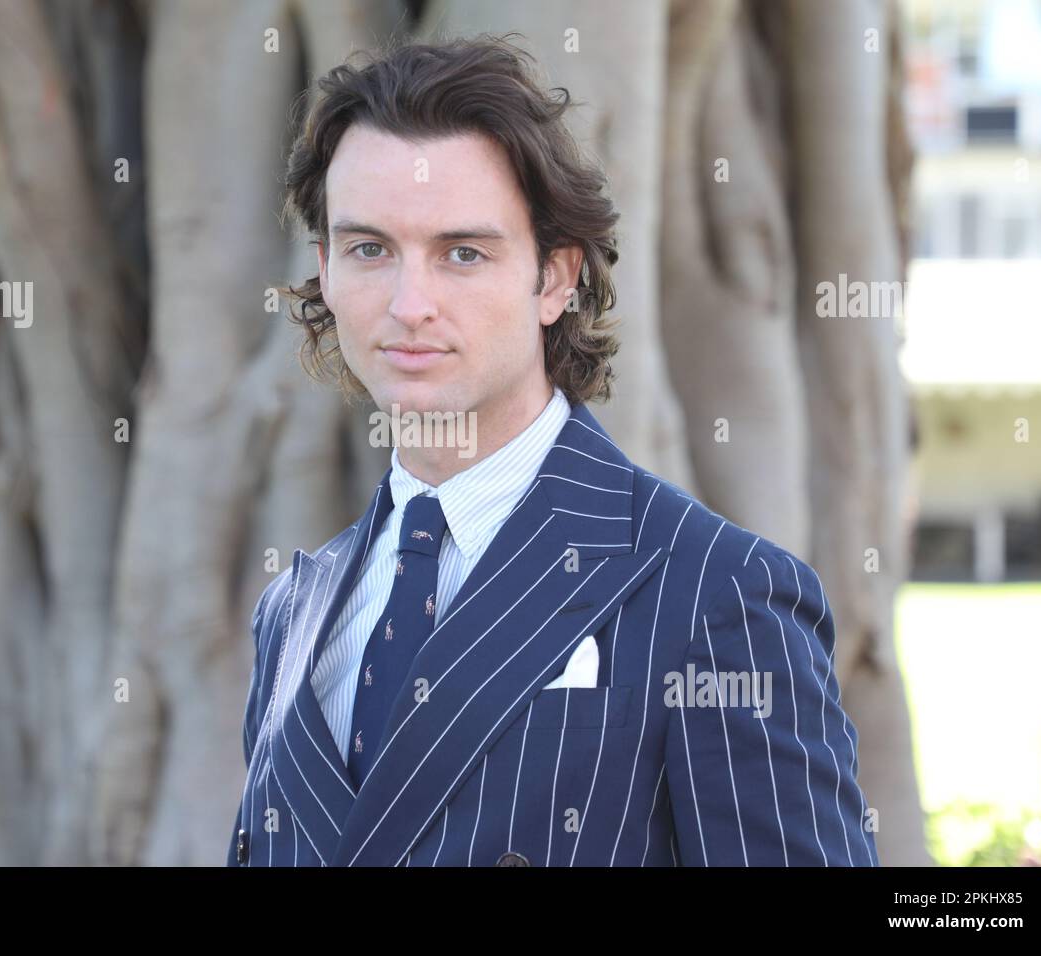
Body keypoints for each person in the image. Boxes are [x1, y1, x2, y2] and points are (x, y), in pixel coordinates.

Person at [227, 34, 878, 867]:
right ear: (323, 271)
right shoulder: (293, 614)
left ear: (555, 279)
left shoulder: (716, 594)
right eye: (369, 250)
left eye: (462, 252)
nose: (409, 303)